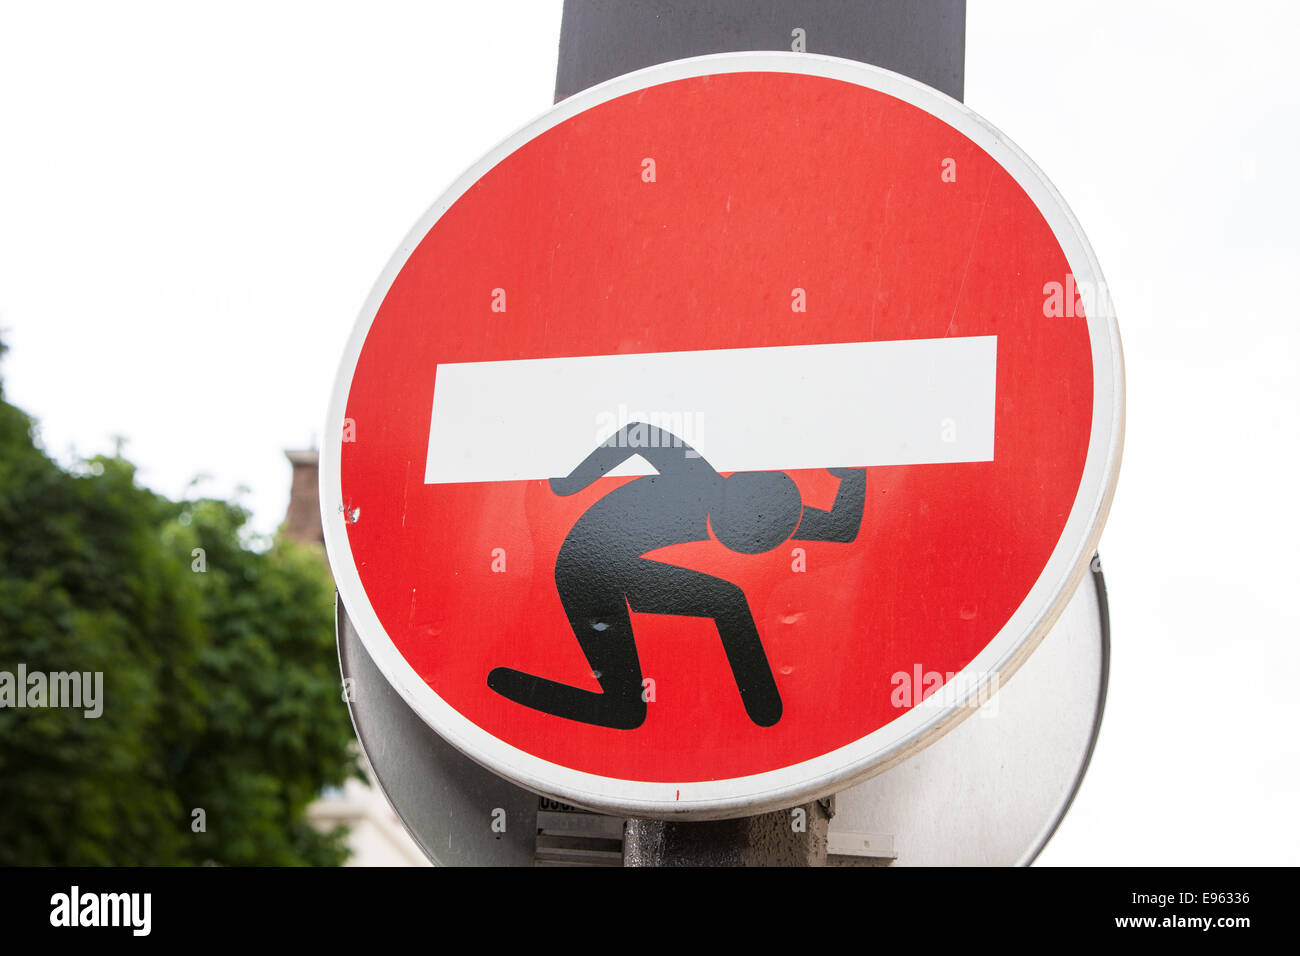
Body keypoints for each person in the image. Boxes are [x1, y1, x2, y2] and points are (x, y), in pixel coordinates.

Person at [487, 423, 866, 729]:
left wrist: (853, 475)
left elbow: (841, 527)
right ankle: (509, 685)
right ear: (727, 498)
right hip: (586, 568)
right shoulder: (695, 476)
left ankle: (765, 709)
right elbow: (638, 433)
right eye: (727, 533)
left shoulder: (767, 517)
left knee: (728, 599)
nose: (726, 543)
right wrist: (570, 482)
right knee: (628, 712)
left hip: (627, 568)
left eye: (747, 545)